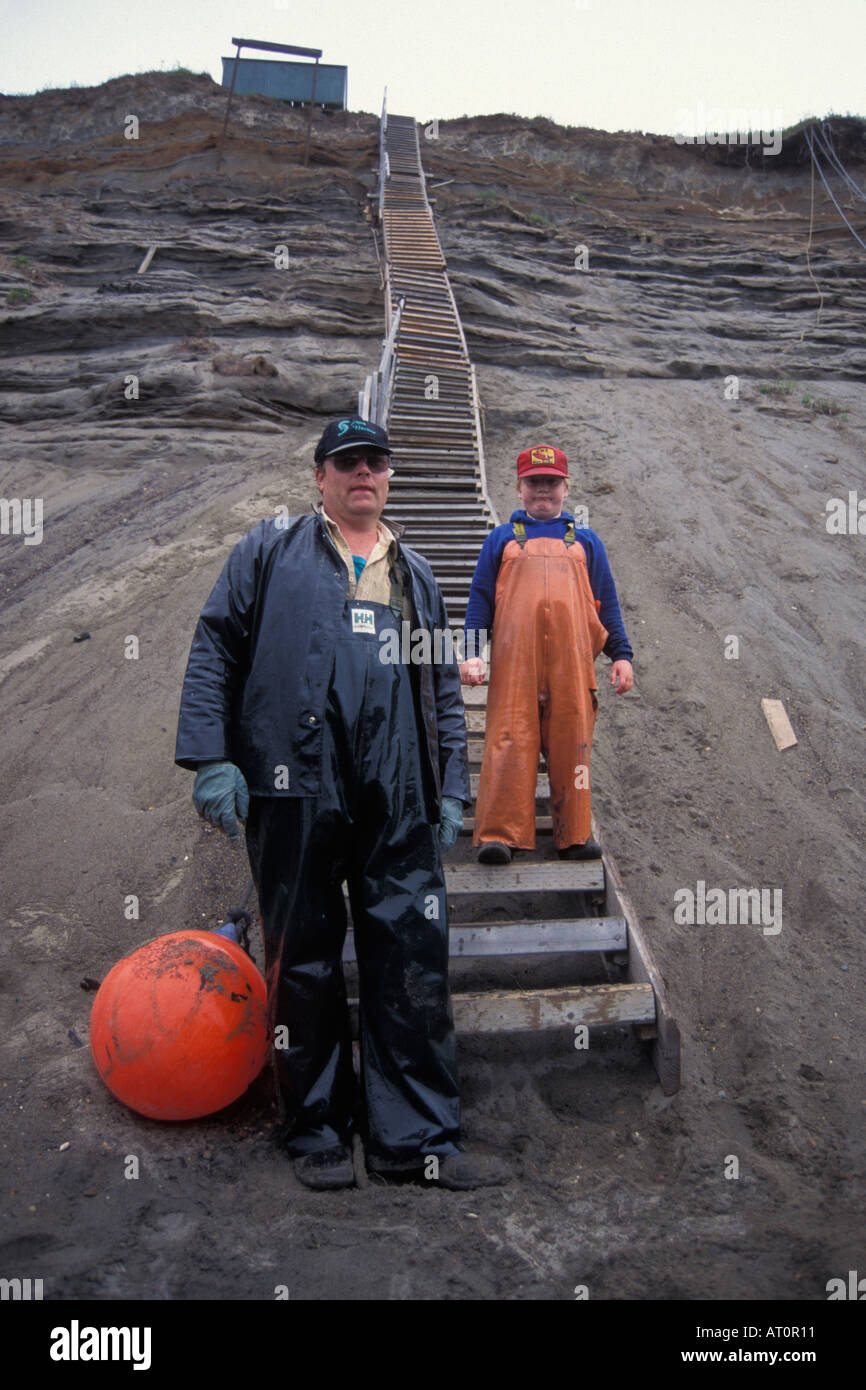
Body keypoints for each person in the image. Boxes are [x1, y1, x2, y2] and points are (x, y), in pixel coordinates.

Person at [175, 418, 506, 1191]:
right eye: (347, 461)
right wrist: (211, 756)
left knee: (410, 958)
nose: (364, 472)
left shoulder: (415, 572)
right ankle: (316, 1128)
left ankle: (412, 1139)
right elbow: (216, 644)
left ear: (389, 477)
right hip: (292, 781)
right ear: (320, 476)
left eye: (376, 462)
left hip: (396, 790)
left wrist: (450, 785)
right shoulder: (269, 550)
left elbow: (442, 694)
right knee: (305, 959)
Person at [460, 444, 634, 864]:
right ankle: (499, 835)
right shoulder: (501, 539)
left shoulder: (587, 542)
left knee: (572, 743)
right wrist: (471, 652)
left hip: (572, 668)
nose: (543, 491)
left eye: (551, 483)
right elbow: (479, 602)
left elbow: (606, 604)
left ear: (565, 487)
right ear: (519, 488)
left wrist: (622, 655)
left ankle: (573, 835)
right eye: (534, 482)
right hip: (515, 665)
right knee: (508, 739)